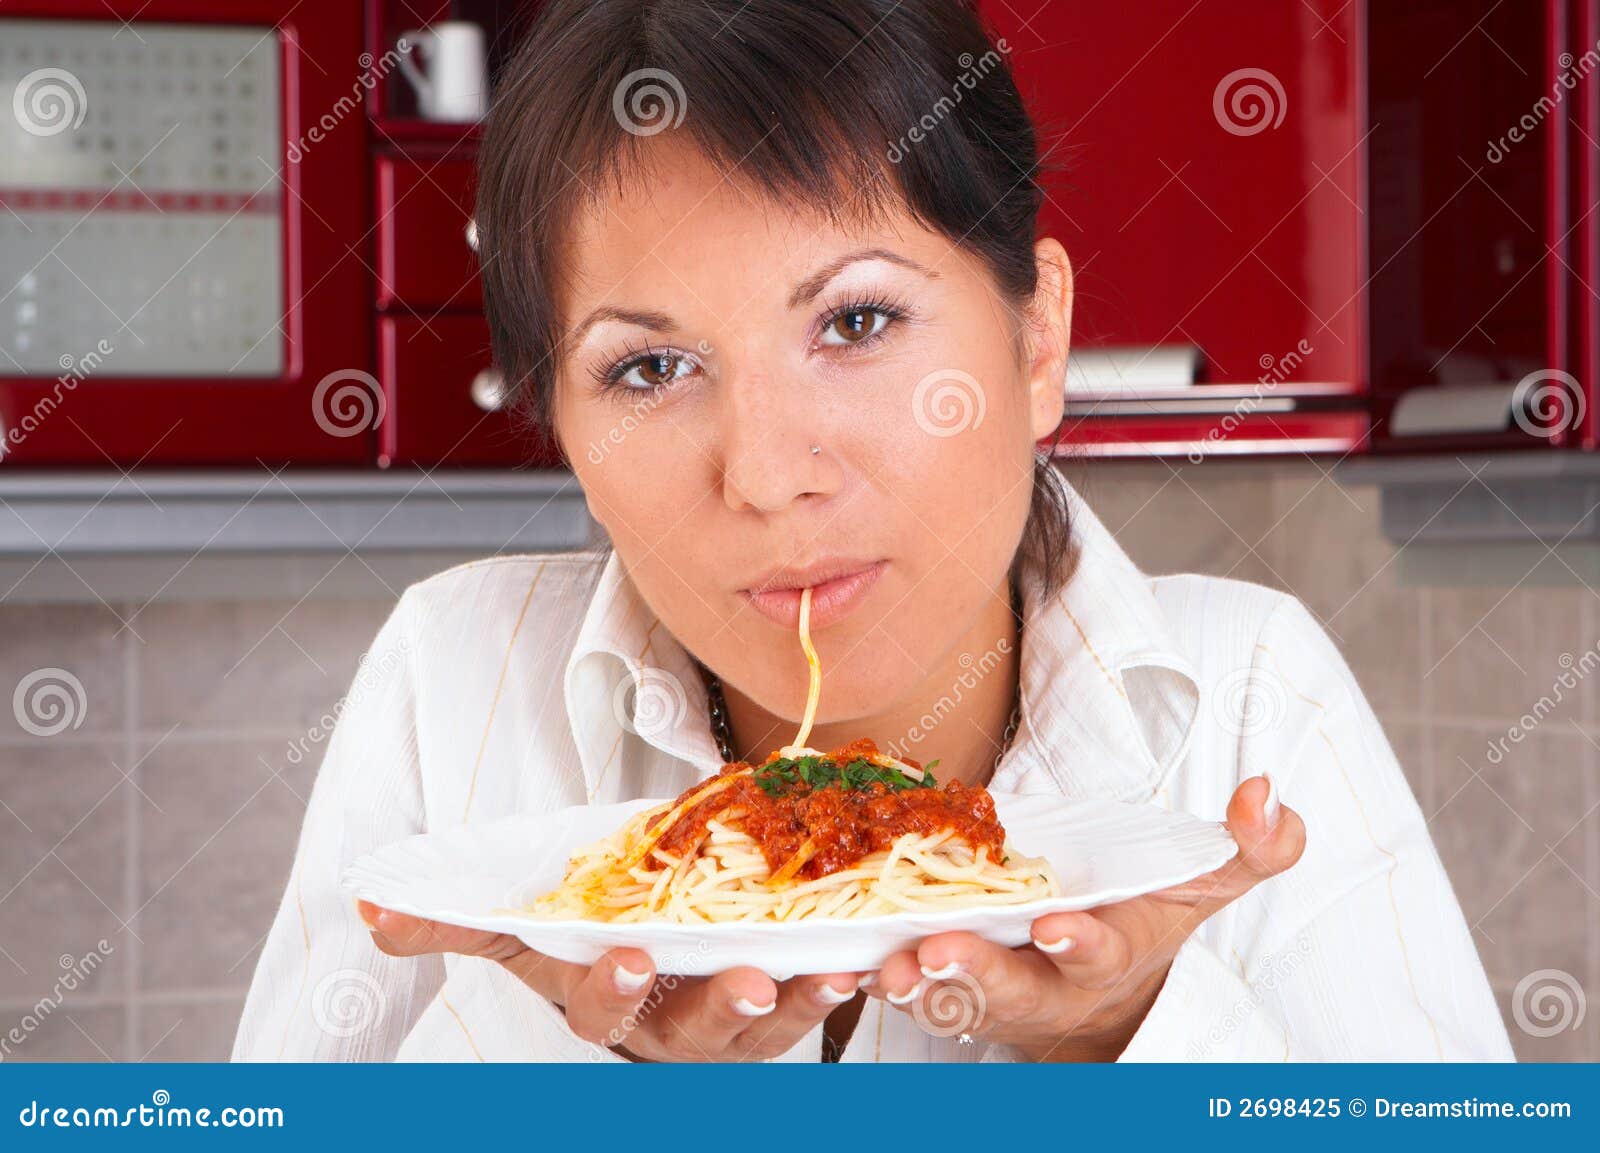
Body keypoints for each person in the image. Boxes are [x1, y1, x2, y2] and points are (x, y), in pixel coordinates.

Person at [232, 0, 1512, 1062]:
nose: (767, 476)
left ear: (1037, 339)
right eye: (649, 369)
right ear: (557, 418)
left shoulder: (1247, 695)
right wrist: (574, 1060)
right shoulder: (452, 676)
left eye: (855, 322)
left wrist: (1129, 1035)